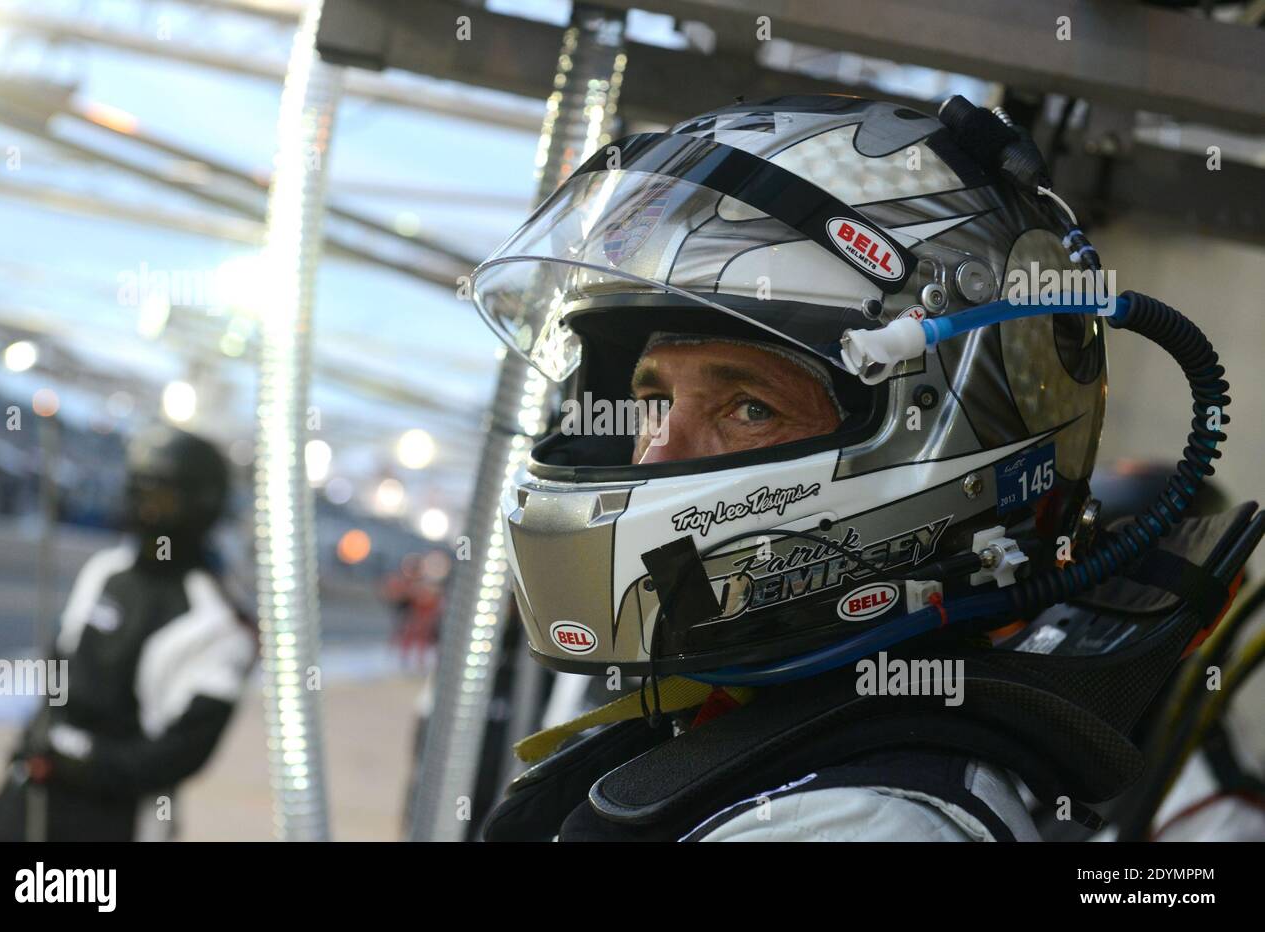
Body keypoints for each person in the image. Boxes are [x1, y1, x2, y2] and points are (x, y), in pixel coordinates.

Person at [468, 94, 1259, 841]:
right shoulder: (769, 715)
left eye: (747, 408)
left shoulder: (858, 823)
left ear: (931, 440)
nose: (656, 452)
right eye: (650, 401)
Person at [0, 425, 256, 841]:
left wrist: (75, 761)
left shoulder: (217, 625)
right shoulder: (106, 570)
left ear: (199, 505)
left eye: (158, 498)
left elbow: (175, 757)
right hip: (36, 806)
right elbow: (58, 676)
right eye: (137, 492)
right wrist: (28, 762)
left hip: (122, 824)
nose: (143, 509)